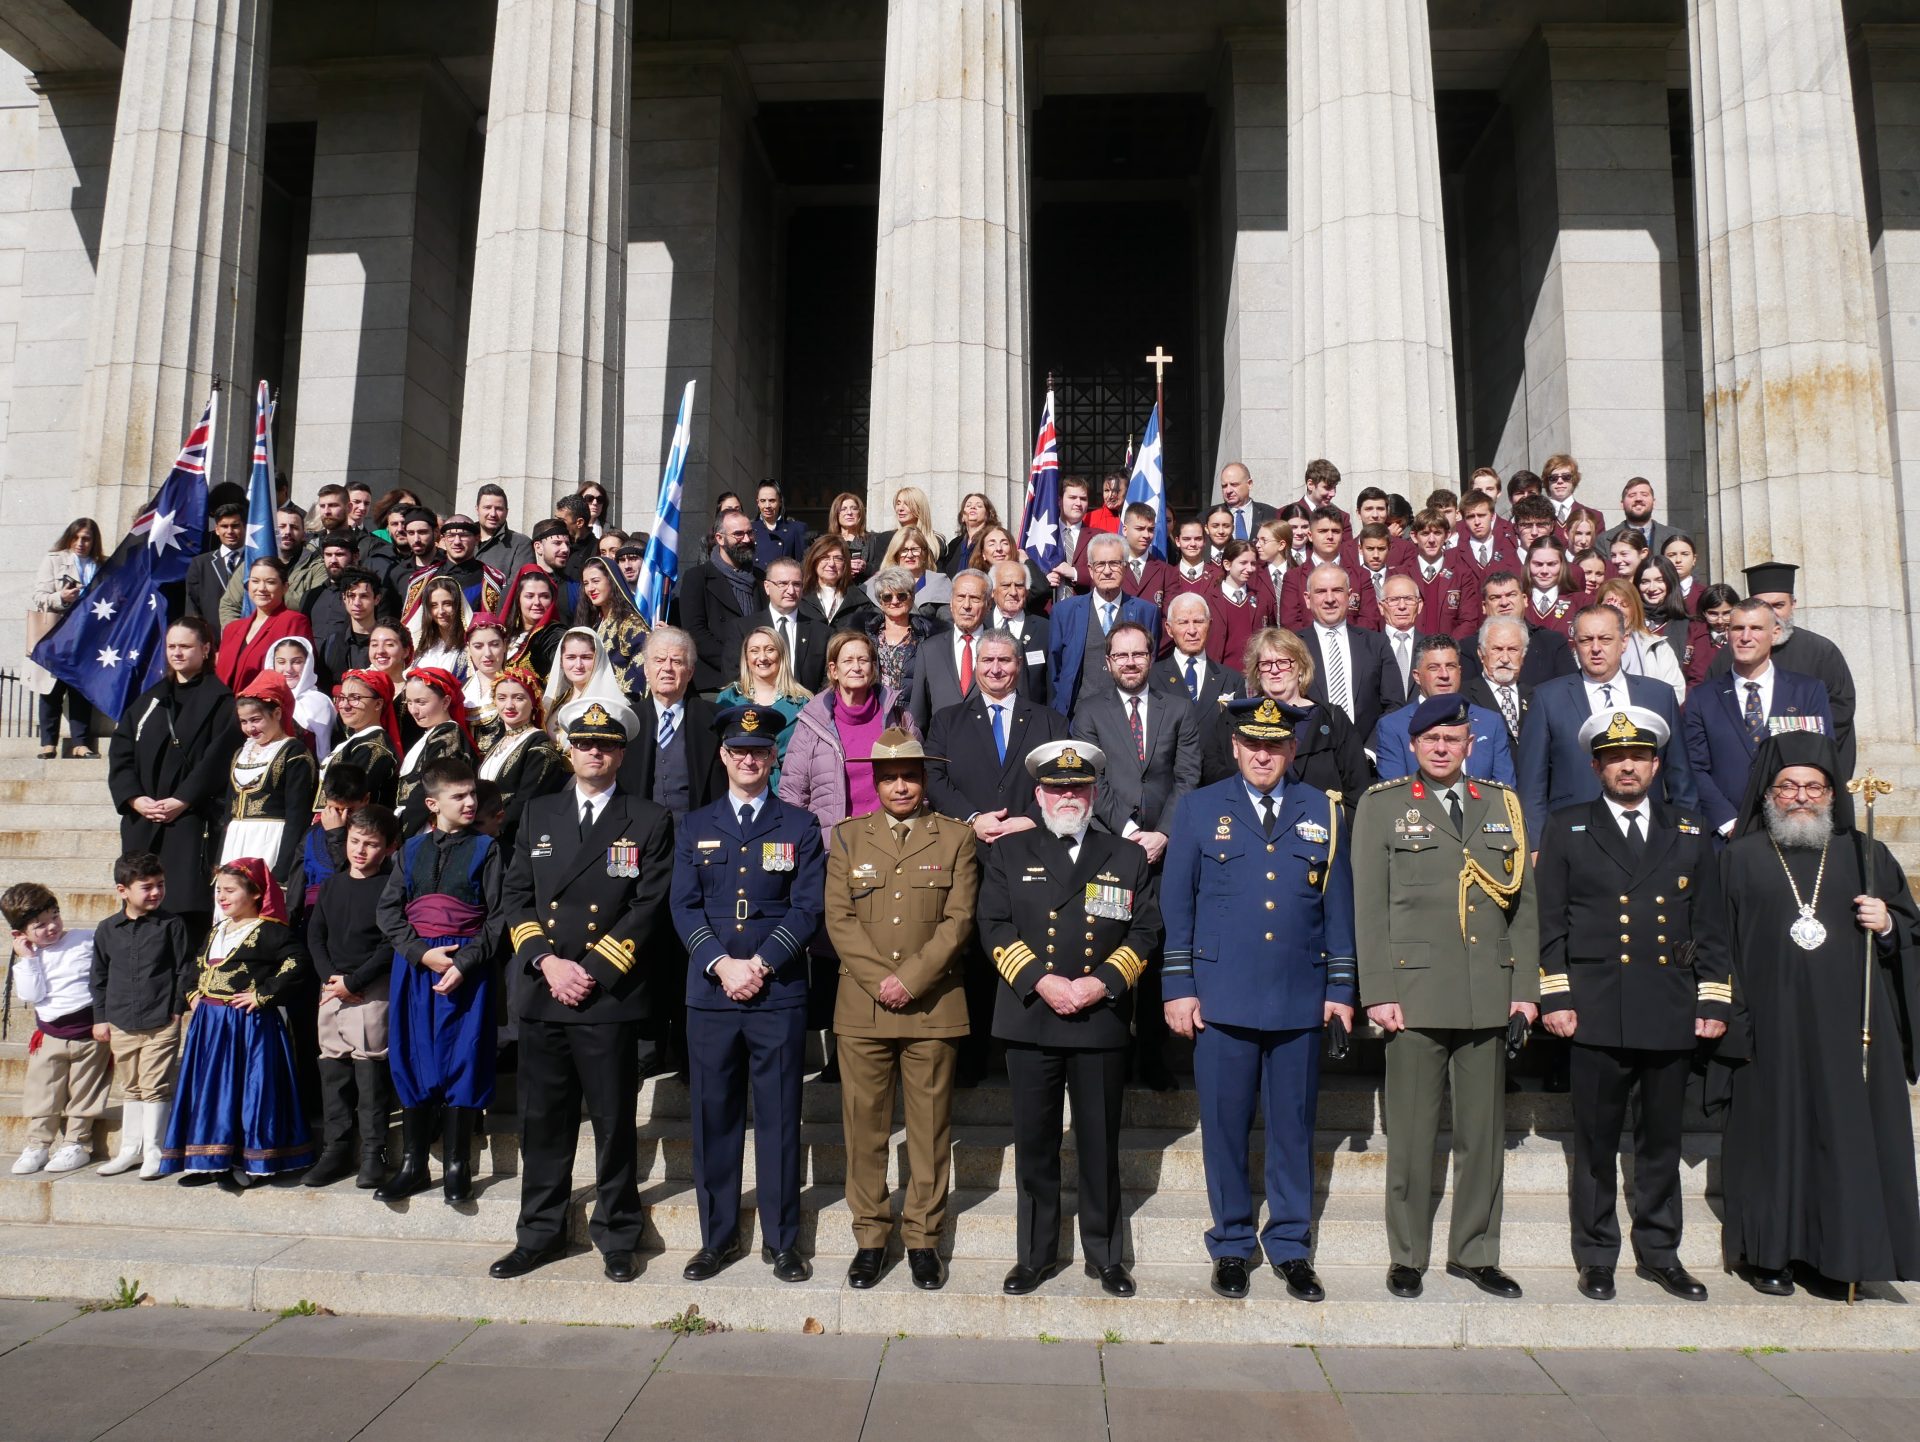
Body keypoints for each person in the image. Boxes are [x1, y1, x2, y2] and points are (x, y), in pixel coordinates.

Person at [1161, 696, 1355, 1302]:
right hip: (1221, 998)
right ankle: (1232, 1243)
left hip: (1299, 993)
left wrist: (1342, 987)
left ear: (1291, 750)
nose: (1264, 754)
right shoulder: (1197, 809)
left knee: (1293, 1126)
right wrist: (1178, 986)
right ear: (1237, 748)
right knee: (1223, 1127)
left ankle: (1291, 1245)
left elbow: (1338, 903)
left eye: (1275, 746)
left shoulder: (1320, 809)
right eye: (1253, 745)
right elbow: (1178, 905)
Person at [1711, 733, 1920, 1295]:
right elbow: (1718, 946)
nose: (1801, 797)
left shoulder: (1865, 855)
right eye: (1788, 787)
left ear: (1831, 793)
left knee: (1842, 1141)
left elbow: (1911, 934)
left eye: (1813, 786)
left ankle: (1840, 1258)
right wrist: (1733, 1020)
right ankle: (1770, 1256)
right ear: (1767, 795)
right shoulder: (1740, 858)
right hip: (1769, 1031)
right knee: (1771, 1143)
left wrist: (1891, 924)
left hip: (1849, 1033)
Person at [1535, 706, 1730, 1303]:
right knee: (1594, 1143)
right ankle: (1597, 1256)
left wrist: (1713, 995)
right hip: (1593, 1008)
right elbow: (1551, 922)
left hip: (1668, 1005)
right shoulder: (1567, 827)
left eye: (1638, 757)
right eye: (1615, 757)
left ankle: (1660, 1253)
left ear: (1656, 764)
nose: (1627, 766)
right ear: (1596, 766)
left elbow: (1711, 921)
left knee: (1661, 1142)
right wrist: (1556, 994)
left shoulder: (1690, 830)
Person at [1354, 695, 1539, 1300]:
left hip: (1487, 988)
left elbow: (1523, 906)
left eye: (1452, 739)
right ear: (1412, 746)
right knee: (1409, 1135)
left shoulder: (1500, 805)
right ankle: (1407, 1254)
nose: (1441, 748)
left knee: (1482, 1136)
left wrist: (1525, 991)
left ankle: (1475, 1253)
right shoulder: (1382, 807)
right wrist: (1378, 991)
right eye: (1430, 739)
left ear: (1469, 744)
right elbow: (1370, 909)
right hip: (1413, 993)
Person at [489, 699, 676, 1284]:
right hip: (546, 991)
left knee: (614, 1123)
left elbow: (648, 906)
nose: (595, 751)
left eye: (607, 744)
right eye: (584, 742)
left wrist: (592, 968)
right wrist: (546, 962)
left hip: (607, 996)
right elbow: (515, 896)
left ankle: (619, 1236)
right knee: (543, 1123)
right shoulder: (537, 813)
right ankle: (539, 1234)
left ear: (622, 753)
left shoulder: (647, 818)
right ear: (568, 750)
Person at [977, 739, 1160, 1298]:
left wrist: (1099, 984)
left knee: (1099, 1146)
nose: (1067, 795)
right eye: (1056, 787)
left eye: (1077, 786)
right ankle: (1034, 1256)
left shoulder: (1125, 856)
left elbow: (1146, 931)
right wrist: (1043, 981)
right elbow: (994, 926)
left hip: (1098, 1017)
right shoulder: (1010, 852)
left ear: (1094, 791)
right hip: (1032, 1014)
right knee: (1034, 1144)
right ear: (1038, 793)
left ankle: (1105, 1255)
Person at [674, 704, 827, 1285]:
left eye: (760, 751)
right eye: (739, 751)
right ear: (723, 756)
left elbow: (808, 907)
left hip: (776, 991)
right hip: (712, 995)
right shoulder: (694, 825)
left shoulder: (799, 825)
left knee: (781, 1120)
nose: (749, 759)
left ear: (773, 758)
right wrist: (721, 964)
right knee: (714, 1119)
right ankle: (716, 1239)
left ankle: (782, 1241)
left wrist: (759, 964)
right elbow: (684, 906)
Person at [823, 729, 978, 1292]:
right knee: (863, 1129)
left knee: (929, 1130)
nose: (900, 786)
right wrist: (880, 980)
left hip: (931, 1005)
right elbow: (838, 919)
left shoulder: (956, 839)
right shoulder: (848, 838)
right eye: (889, 777)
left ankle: (922, 1239)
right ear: (875, 782)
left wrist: (909, 980)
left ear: (924, 779)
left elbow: (958, 921)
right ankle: (869, 1237)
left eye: (909, 776)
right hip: (862, 1005)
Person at [924, 631, 1072, 1086]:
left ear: (1018, 665)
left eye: (1005, 660)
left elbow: (1062, 777)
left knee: (1025, 949)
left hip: (1031, 851)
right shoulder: (947, 720)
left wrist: (1031, 818)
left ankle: (1020, 1055)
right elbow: (933, 776)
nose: (995, 669)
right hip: (969, 854)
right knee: (970, 952)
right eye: (987, 660)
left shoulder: (1048, 720)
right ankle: (971, 1060)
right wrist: (973, 818)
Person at [1069, 620, 1199, 1092]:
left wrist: (1162, 834)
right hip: (1109, 849)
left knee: (1157, 949)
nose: (1129, 662)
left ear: (1150, 657)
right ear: (1108, 662)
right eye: (1120, 655)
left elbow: (1187, 778)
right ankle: (1114, 1057)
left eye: (1138, 654)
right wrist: (1129, 831)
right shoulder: (1089, 711)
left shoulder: (1180, 709)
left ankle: (1154, 1057)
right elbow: (1089, 779)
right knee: (1110, 947)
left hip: (1165, 854)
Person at [375, 758, 504, 1204]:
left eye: (472, 795)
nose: (471, 802)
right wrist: (420, 953)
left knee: (462, 1055)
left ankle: (457, 1163)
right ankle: (412, 1164)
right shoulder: (410, 850)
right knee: (413, 1055)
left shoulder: (487, 849)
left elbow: (498, 917)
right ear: (433, 804)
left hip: (465, 970)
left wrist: (464, 963)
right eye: (459, 796)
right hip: (416, 966)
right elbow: (388, 911)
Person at [154, 858, 314, 1191]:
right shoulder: (218, 929)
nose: (222, 897)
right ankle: (207, 1159)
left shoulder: (270, 931)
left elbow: (297, 963)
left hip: (247, 1027)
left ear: (255, 893)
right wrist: (193, 993)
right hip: (210, 1025)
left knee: (248, 1090)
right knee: (209, 1091)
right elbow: (196, 966)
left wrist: (263, 995)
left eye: (230, 890)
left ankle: (252, 1161)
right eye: (218, 891)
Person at [110, 618, 243, 937]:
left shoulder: (222, 702)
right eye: (172, 646)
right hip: (144, 819)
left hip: (190, 821)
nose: (177, 653)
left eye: (185, 646)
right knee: (140, 910)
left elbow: (217, 759)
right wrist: (134, 798)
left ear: (206, 648)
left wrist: (182, 799)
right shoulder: (150, 700)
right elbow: (122, 750)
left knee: (183, 912)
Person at [1516, 604, 1696, 842]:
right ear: (1575, 645)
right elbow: (1532, 786)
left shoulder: (1658, 696)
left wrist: (1688, 840)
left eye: (1605, 639)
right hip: (1575, 838)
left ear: (1624, 642)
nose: (1596, 649)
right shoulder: (1547, 698)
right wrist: (1536, 847)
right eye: (1586, 640)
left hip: (1649, 836)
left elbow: (1680, 778)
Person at [303, 804, 401, 1190]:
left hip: (370, 989)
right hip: (332, 988)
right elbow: (316, 935)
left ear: (389, 848)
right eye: (355, 841)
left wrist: (356, 980)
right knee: (333, 1067)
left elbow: (391, 942)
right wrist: (332, 978)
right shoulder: (332, 885)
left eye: (371, 844)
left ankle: (373, 1151)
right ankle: (336, 1148)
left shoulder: (392, 887)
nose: (360, 851)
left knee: (370, 1067)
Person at [1684, 597, 1834, 837]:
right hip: (1726, 837)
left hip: (1791, 829)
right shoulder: (1703, 698)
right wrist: (1727, 822)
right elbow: (1694, 766)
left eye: (1755, 628)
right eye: (1737, 628)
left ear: (1774, 634)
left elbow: (1820, 760)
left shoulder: (1807, 691)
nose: (1745, 636)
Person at [86, 853, 194, 1179]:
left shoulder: (171, 925)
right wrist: (100, 1017)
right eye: (146, 887)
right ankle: (129, 1150)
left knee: (154, 1086)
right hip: (121, 1020)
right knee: (131, 1086)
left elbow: (184, 970)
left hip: (161, 1020)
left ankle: (154, 1152)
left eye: (160, 885)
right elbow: (98, 976)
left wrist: (176, 1009)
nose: (155, 892)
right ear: (123, 890)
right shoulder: (107, 929)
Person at [1708, 560, 1859, 781]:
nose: (1772, 614)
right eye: (1763, 606)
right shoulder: (1727, 656)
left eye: (1778, 605)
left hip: (1806, 772)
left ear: (1793, 604)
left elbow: (1840, 710)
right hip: (1741, 775)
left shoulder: (1821, 651)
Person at [5, 882, 107, 1175]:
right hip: (49, 1035)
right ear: (20, 933)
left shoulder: (85, 939)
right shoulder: (29, 959)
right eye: (40, 925)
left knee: (85, 1089)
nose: (52, 927)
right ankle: (38, 1144)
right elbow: (31, 995)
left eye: (55, 917)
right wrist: (29, 958)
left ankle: (76, 1142)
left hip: (90, 1032)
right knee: (42, 1090)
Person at [780, 630, 917, 845]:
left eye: (863, 660)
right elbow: (793, 795)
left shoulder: (898, 719)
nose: (856, 667)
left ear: (873, 668)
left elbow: (920, 782)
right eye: (848, 661)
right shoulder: (812, 724)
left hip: (893, 843)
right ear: (834, 670)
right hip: (833, 848)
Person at [1200, 628, 1369, 800]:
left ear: (1301, 668)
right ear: (1257, 673)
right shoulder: (1234, 718)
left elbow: (1357, 787)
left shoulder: (1332, 719)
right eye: (1266, 664)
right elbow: (1213, 775)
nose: (1274, 670)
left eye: (1283, 662)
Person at [220, 673, 319, 894]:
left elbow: (298, 816)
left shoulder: (293, 753)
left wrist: (282, 869)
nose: (250, 728)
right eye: (244, 722)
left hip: (270, 842)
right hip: (236, 842)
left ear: (276, 713)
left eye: (256, 720)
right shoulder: (241, 753)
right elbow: (229, 811)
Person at [1371, 635, 1516, 786]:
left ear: (1460, 671)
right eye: (1434, 668)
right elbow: (1394, 794)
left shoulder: (1491, 722)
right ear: (1417, 676)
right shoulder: (1392, 726)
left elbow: (1505, 792)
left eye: (1450, 666)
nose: (1444, 675)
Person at [616, 627, 726, 822]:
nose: (667, 668)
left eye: (676, 661)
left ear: (690, 672)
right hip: (641, 838)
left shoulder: (715, 721)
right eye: (659, 660)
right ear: (646, 670)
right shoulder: (626, 722)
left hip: (698, 836)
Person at [1048, 532, 1160, 718]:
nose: (1107, 571)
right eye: (1100, 564)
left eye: (1114, 563)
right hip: (1078, 718)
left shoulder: (1146, 612)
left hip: (1130, 717)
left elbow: (1150, 665)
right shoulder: (1064, 612)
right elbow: (1055, 670)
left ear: (1125, 568)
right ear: (1090, 570)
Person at [1296, 564, 1403, 748]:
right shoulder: (1293, 646)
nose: (1329, 599)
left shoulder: (1377, 644)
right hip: (1310, 760)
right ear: (1308, 599)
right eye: (1321, 591)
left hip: (1367, 760)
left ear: (1349, 595)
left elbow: (1395, 705)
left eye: (1337, 590)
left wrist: (1370, 751)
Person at [26, 517, 103, 757]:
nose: (80, 543)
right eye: (76, 537)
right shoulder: (54, 560)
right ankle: (48, 743)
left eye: (86, 539)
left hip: (87, 636)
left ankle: (80, 743)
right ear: (69, 537)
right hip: (57, 634)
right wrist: (61, 597)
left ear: (93, 542)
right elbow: (39, 596)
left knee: (80, 690)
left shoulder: (101, 565)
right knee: (51, 689)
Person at [477, 666, 569, 852]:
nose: (509, 705)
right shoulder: (498, 742)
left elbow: (528, 802)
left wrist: (492, 831)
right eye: (502, 698)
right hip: (483, 838)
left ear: (533, 701)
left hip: (511, 841)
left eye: (518, 698)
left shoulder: (539, 746)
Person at [679, 507, 763, 694]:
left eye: (750, 533)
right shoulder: (697, 577)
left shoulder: (761, 578)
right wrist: (737, 662)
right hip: (716, 683)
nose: (747, 540)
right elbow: (695, 632)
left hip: (759, 679)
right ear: (719, 538)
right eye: (738, 534)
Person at [715, 626, 809, 786]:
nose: (762, 657)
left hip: (789, 789)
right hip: (740, 789)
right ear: (746, 657)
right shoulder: (728, 699)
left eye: (770, 650)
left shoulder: (802, 703)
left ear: (781, 655)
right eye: (754, 651)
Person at [394, 667, 478, 834]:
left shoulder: (447, 735)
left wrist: (401, 830)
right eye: (409, 702)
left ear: (445, 702)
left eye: (421, 702)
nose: (413, 710)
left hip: (428, 827)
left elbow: (434, 787)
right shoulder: (431, 734)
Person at [215, 557, 316, 695]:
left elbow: (301, 676)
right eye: (255, 581)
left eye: (270, 582)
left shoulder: (293, 621)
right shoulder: (232, 629)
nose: (261, 588)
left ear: (285, 587)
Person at [907, 567, 988, 734]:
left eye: (974, 598)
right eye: (960, 597)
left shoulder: (1004, 648)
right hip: (942, 753)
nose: (966, 605)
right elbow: (918, 716)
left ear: (988, 605)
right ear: (951, 603)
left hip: (991, 753)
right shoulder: (929, 650)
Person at [729, 554, 826, 694]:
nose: (791, 591)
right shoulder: (743, 629)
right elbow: (734, 675)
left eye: (796, 584)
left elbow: (827, 681)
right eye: (783, 584)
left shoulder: (821, 633)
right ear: (767, 587)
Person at [1593, 577, 1687, 701]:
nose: (1617, 610)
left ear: (1634, 608)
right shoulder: (1589, 646)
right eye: (1610, 605)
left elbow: (1676, 691)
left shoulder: (1658, 647)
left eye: (1623, 604)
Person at [1401, 508, 1484, 641]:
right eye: (1425, 533)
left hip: (1449, 653)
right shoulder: (1401, 574)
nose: (1432, 540)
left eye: (1438, 533)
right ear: (1414, 536)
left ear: (1447, 535)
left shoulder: (1462, 574)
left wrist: (1447, 647)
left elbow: (1468, 620)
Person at [861, 564, 940, 699]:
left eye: (901, 596)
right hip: (873, 710)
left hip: (911, 712)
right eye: (887, 597)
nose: (895, 601)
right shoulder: (865, 633)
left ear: (912, 597)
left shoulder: (928, 634)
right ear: (880, 601)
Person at [327, 668, 401, 810]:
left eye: (355, 698)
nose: (345, 705)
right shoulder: (355, 741)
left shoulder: (374, 746)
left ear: (378, 704)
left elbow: (348, 801)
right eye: (342, 698)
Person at [541, 626, 626, 750]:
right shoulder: (557, 700)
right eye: (571, 657)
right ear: (561, 661)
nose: (578, 665)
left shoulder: (615, 704)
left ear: (598, 659)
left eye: (586, 657)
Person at [578, 556, 650, 701]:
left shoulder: (630, 623)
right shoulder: (595, 624)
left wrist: (622, 697)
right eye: (586, 583)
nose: (590, 588)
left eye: (596, 581)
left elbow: (643, 661)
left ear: (612, 581)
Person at [1153, 591, 1237, 710]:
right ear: (1169, 629)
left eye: (1198, 621)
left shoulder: (1232, 680)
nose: (1192, 631)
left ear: (1210, 624)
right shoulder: (1152, 677)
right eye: (1183, 622)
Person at [1204, 540, 1277, 671]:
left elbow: (1272, 635)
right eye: (1243, 563)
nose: (1250, 569)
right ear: (1227, 564)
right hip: (1220, 675)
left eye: (1253, 563)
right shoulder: (1207, 600)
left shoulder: (1263, 599)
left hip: (1255, 675)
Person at [988, 558, 1051, 706]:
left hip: (1033, 719)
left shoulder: (1045, 629)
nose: (1013, 592)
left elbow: (1052, 685)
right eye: (1005, 585)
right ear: (992, 591)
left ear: (1027, 591)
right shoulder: (980, 627)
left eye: (1019, 586)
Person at [1467, 614, 1533, 750]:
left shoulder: (1536, 697)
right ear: (1481, 653)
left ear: (1523, 655)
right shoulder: (1463, 697)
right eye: (1497, 649)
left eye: (1513, 650)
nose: (1504, 658)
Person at [269, 635, 337, 759]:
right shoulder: (267, 699)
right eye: (281, 662)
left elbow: (325, 751)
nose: (288, 669)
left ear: (308, 663)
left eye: (297, 662)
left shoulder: (319, 702)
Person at [500, 565, 565, 685]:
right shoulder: (508, 634)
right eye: (530, 596)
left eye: (544, 596)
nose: (537, 602)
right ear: (518, 600)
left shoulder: (554, 635)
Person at [184, 503, 247, 624]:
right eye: (224, 526)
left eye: (235, 526)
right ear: (217, 529)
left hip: (247, 636)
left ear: (244, 527)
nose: (230, 531)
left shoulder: (256, 561)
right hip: (212, 638)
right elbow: (192, 606)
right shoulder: (200, 563)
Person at [873, 525, 952, 620]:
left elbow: (947, 624)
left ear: (924, 553)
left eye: (915, 549)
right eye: (904, 550)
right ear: (895, 554)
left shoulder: (939, 583)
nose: (910, 555)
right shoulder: (879, 584)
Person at [799, 534, 870, 632]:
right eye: (825, 557)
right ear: (814, 560)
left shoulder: (860, 602)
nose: (831, 564)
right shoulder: (799, 597)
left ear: (845, 564)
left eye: (838, 558)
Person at [407, 575, 472, 679]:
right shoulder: (420, 646)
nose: (441, 611)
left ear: (458, 605)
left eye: (447, 604)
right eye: (434, 605)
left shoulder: (470, 648)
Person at [1600, 476, 1681, 558]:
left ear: (1654, 502)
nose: (1638, 498)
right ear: (1622, 504)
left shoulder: (1677, 536)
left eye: (1644, 495)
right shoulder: (1604, 541)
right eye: (1632, 495)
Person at [475, 483, 534, 579]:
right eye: (487, 507)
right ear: (477, 509)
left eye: (499, 509)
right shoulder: (463, 539)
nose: (493, 514)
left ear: (506, 512)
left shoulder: (520, 543)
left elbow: (517, 584)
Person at [750, 479, 810, 568]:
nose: (767, 506)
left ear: (780, 502)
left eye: (772, 500)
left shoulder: (796, 529)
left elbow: (803, 565)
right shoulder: (749, 529)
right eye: (763, 501)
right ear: (758, 502)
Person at [825, 490, 882, 581]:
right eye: (843, 509)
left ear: (860, 513)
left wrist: (866, 568)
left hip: (865, 592)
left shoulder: (874, 540)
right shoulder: (826, 542)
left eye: (854, 508)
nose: (849, 512)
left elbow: (885, 569)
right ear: (836, 514)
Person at [942, 490, 1000, 575]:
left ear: (988, 515)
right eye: (968, 505)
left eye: (979, 506)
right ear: (962, 517)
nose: (973, 507)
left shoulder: (992, 539)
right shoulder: (954, 544)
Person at [1218, 460, 1277, 543]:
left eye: (1234, 484)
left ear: (1249, 484)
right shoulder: (1207, 516)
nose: (1228, 491)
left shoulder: (1271, 514)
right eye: (1224, 486)